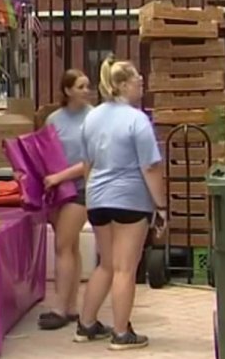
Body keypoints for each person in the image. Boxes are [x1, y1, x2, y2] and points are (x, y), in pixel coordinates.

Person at [77, 57, 165, 350]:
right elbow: (150, 167)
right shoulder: (137, 119)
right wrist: (161, 205)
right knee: (126, 268)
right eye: (138, 79)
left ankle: (86, 323)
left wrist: (91, 195)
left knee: (106, 264)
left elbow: (87, 162)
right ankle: (121, 333)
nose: (142, 83)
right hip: (130, 198)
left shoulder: (91, 117)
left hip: (98, 197)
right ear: (124, 85)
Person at [36, 69, 92, 331]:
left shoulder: (93, 118)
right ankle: (71, 306)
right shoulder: (53, 120)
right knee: (70, 246)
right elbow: (45, 151)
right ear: (67, 90)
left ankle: (59, 307)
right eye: (81, 86)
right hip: (56, 189)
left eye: (87, 86)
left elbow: (90, 161)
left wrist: (60, 176)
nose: (86, 90)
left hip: (79, 188)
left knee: (62, 245)